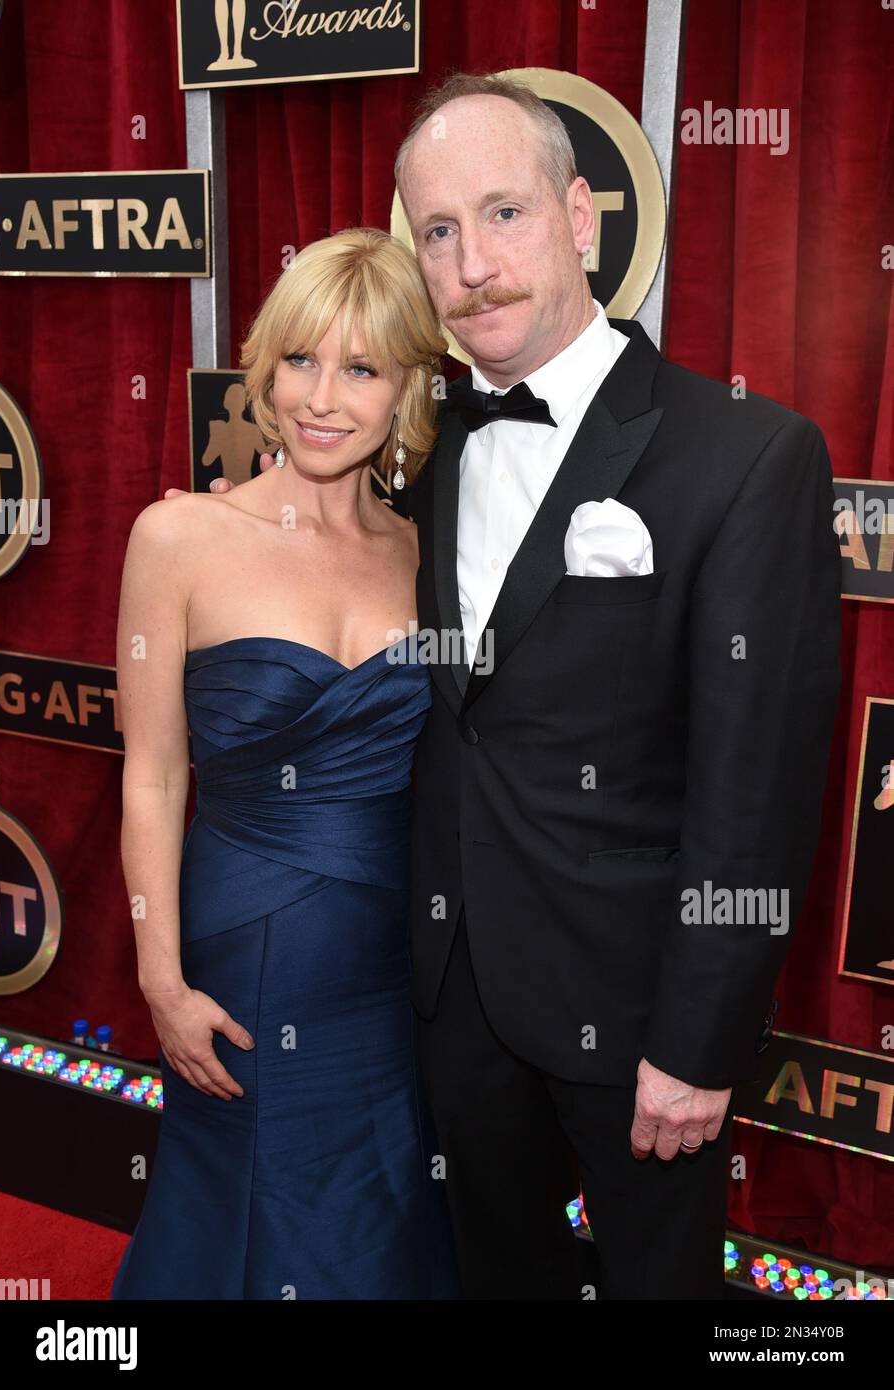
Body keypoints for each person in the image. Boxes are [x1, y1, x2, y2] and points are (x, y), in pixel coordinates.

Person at [172, 71, 842, 1300]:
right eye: (436, 230)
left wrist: (697, 1041)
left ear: (580, 218)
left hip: (639, 1020)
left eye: (503, 214)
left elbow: (758, 786)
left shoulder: (746, 456)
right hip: (438, 1001)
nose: (472, 261)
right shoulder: (414, 451)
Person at [111, 227, 459, 1300]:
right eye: (299, 359)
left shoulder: (422, 550)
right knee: (246, 1212)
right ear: (262, 367)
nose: (320, 396)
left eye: (359, 368)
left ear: (405, 386)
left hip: (396, 961)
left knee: (385, 1207)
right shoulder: (178, 539)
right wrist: (160, 977)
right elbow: (152, 776)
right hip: (244, 946)